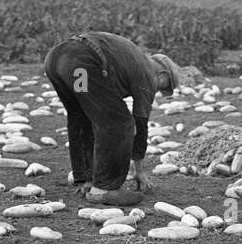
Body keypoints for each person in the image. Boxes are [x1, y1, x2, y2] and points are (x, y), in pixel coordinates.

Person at [43, 32, 181, 206]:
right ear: (162, 74)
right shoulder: (147, 73)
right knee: (119, 122)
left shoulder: (133, 59)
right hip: (80, 63)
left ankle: (87, 180)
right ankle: (105, 188)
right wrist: (139, 170)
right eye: (164, 86)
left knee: (82, 116)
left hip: (58, 60)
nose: (157, 90)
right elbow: (140, 123)